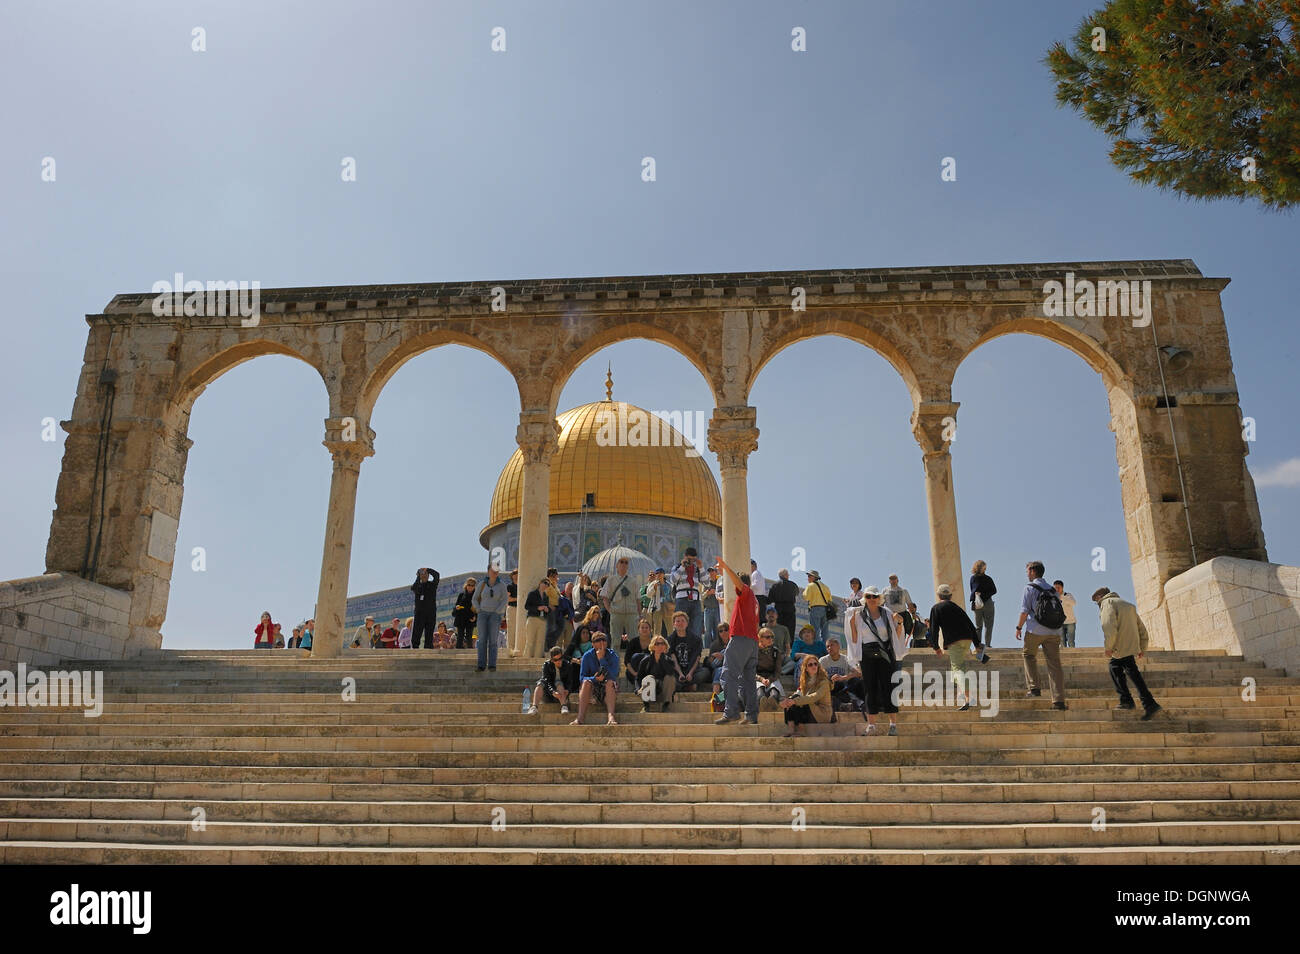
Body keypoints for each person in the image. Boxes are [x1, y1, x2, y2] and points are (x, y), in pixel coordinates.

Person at [1093, 587, 1162, 720]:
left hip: (1119, 647)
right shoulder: (1128, 604)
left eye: (1096, 599)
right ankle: (1148, 703)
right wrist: (1142, 647)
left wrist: (1109, 647)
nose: (1097, 603)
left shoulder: (1108, 603)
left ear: (1101, 596)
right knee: (1128, 671)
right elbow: (1141, 628)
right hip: (1130, 646)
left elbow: (1109, 626)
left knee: (1115, 668)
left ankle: (1129, 701)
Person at [852, 586, 905, 735]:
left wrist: (899, 623)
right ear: (865, 599)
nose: (871, 599)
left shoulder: (886, 613)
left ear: (879, 598)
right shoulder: (859, 615)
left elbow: (896, 634)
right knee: (869, 688)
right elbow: (855, 639)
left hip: (885, 654)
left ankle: (893, 724)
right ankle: (872, 725)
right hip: (867, 654)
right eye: (868, 596)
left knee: (889, 687)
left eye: (874, 596)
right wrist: (851, 622)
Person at [713, 556, 760, 726]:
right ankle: (751, 715)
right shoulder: (754, 600)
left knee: (727, 676)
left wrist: (725, 567)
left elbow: (739, 584)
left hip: (741, 639)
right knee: (748, 681)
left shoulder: (746, 592)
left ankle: (731, 711)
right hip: (752, 643)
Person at [1016, 561, 1068, 710]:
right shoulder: (1053, 590)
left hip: (1035, 630)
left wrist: (1018, 627)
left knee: (1028, 655)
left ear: (1032, 571)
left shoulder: (1029, 588)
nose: (1026, 573)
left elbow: (1025, 611)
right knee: (1054, 665)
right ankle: (1058, 701)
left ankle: (1034, 688)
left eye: (1027, 571)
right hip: (1054, 631)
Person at [928, 584, 983, 711]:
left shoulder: (936, 608)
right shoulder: (957, 607)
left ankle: (969, 697)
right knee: (959, 667)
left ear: (938, 595)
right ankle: (961, 694)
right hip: (967, 639)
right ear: (950, 596)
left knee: (957, 669)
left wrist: (936, 647)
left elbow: (933, 630)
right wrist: (977, 643)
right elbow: (970, 624)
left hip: (954, 642)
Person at [571, 632, 619, 726]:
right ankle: (580, 717)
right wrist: (595, 678)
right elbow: (582, 677)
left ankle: (611, 716)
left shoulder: (613, 655)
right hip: (592, 689)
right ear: (592, 644)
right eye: (598, 640)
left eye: (604, 640)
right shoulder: (587, 656)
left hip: (608, 688)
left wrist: (601, 659)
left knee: (610, 682)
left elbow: (613, 675)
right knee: (586, 682)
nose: (601, 642)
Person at [780, 656, 832, 737]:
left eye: (815, 664)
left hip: (822, 713)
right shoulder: (805, 680)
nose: (814, 666)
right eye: (810, 665)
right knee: (794, 698)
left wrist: (794, 701)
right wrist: (788, 700)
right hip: (811, 710)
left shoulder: (824, 681)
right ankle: (791, 728)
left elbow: (815, 697)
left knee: (800, 701)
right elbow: (798, 692)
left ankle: (801, 730)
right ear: (806, 668)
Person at [473, 564, 509, 672]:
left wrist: (498, 611)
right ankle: (481, 665)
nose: (495, 572)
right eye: (492, 570)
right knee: (482, 640)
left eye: (497, 570)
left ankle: (492, 664)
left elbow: (504, 599)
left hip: (495, 615)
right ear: (488, 571)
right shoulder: (482, 584)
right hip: (483, 614)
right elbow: (474, 599)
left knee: (493, 641)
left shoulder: (502, 585)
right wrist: (478, 609)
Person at [601, 556, 642, 650]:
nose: (623, 564)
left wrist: (640, 615)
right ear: (617, 565)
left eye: (626, 563)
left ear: (628, 566)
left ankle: (633, 662)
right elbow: (604, 597)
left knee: (634, 640)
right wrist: (611, 611)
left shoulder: (633, 581)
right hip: (617, 613)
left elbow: (638, 600)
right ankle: (615, 663)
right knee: (615, 641)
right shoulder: (611, 580)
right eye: (621, 562)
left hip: (631, 614)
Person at [529, 645, 579, 715]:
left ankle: (564, 706)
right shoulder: (547, 665)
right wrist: (553, 692)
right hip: (549, 694)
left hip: (562, 694)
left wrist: (568, 690)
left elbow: (570, 681)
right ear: (552, 659)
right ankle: (534, 707)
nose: (558, 661)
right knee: (541, 682)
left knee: (559, 683)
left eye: (560, 658)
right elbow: (546, 680)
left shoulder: (567, 665)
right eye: (555, 660)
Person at [820, 638, 864, 713]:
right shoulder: (823, 660)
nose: (829, 648)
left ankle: (861, 703)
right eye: (827, 646)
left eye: (832, 645)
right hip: (829, 687)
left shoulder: (846, 659)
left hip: (844, 687)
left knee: (855, 681)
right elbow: (816, 676)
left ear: (838, 646)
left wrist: (843, 677)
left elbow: (859, 673)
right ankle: (855, 703)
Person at [636, 635, 678, 712]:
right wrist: (638, 689)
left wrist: (662, 658)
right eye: (657, 644)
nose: (660, 646)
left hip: (663, 693)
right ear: (653, 646)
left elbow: (670, 673)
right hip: (649, 692)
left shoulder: (670, 661)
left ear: (665, 647)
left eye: (662, 644)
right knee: (649, 677)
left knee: (670, 677)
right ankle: (646, 706)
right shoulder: (645, 661)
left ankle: (666, 705)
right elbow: (638, 677)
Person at [670, 547, 705, 638]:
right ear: (685, 557)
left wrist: (701, 567)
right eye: (689, 559)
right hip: (682, 599)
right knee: (680, 625)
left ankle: (695, 649)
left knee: (696, 626)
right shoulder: (677, 567)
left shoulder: (697, 569)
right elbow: (673, 580)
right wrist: (682, 566)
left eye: (693, 560)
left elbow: (707, 583)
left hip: (696, 599)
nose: (691, 562)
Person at [667, 611, 707, 690]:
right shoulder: (669, 640)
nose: (680, 623)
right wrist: (680, 674)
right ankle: (689, 686)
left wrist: (690, 673)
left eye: (683, 621)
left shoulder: (696, 640)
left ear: (687, 623)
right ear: (674, 624)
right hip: (677, 671)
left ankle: (683, 685)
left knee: (705, 672)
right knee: (668, 676)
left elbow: (697, 658)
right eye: (678, 621)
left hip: (692, 670)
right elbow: (672, 658)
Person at [969, 559, 997, 648]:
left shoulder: (988, 578)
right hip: (978, 602)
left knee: (988, 625)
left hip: (987, 602)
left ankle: (987, 645)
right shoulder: (973, 578)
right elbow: (973, 590)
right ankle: (978, 645)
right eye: (983, 567)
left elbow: (994, 590)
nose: (985, 569)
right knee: (978, 626)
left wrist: (983, 596)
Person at [767, 569, 800, 643]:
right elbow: (796, 594)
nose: (788, 576)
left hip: (779, 610)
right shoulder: (793, 585)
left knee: (778, 630)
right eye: (788, 574)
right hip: (790, 610)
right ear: (785, 575)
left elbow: (769, 599)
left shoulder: (775, 585)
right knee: (790, 631)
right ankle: (789, 648)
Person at [410, 567, 440, 649]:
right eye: (422, 574)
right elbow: (414, 586)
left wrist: (428, 569)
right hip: (419, 613)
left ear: (428, 575)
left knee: (429, 631)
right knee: (417, 631)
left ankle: (428, 647)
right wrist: (418, 575)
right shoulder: (417, 586)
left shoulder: (432, 585)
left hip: (431, 612)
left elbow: (437, 575)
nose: (424, 575)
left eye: (425, 574)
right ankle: (415, 647)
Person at [803, 570, 834, 645]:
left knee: (815, 630)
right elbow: (830, 600)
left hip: (815, 609)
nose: (808, 578)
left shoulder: (810, 585)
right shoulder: (826, 587)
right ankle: (825, 648)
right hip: (826, 610)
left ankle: (816, 647)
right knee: (825, 632)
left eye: (809, 576)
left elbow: (806, 597)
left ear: (814, 577)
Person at [755, 627, 785, 705]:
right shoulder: (754, 651)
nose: (771, 639)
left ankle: (771, 708)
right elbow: (750, 670)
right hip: (757, 678)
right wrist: (761, 679)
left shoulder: (776, 652)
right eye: (768, 637)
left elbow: (778, 671)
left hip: (772, 677)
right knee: (760, 694)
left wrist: (770, 680)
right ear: (760, 638)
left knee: (774, 694)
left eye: (772, 637)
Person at [522, 579, 551, 658]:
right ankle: (526, 658)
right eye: (545, 583)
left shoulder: (546, 596)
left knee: (540, 642)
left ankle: (537, 658)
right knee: (530, 641)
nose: (546, 585)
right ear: (540, 583)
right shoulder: (532, 594)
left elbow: (548, 609)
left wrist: (547, 609)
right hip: (532, 618)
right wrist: (537, 608)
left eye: (548, 584)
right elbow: (526, 606)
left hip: (543, 620)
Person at [641, 569, 673, 639]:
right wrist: (654, 588)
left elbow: (672, 596)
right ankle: (656, 645)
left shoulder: (669, 585)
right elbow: (648, 595)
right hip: (657, 607)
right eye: (657, 573)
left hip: (667, 607)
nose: (658, 574)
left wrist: (672, 605)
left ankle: (671, 644)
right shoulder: (653, 584)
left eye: (660, 573)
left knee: (670, 627)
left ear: (663, 574)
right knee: (657, 628)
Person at [623, 618, 653, 688]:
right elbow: (627, 660)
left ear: (650, 630)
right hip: (634, 672)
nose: (644, 629)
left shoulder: (654, 642)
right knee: (636, 656)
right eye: (642, 627)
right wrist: (635, 673)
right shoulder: (633, 642)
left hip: (649, 672)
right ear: (638, 630)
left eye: (646, 627)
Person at [882, 574, 913, 639]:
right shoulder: (885, 591)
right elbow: (881, 603)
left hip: (902, 615)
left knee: (901, 634)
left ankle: (901, 648)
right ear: (889, 581)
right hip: (890, 615)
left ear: (897, 580)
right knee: (889, 633)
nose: (893, 580)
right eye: (891, 579)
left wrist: (913, 614)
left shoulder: (904, 591)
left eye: (894, 578)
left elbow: (909, 603)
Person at [706, 622, 731, 695]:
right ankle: (716, 696)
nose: (724, 632)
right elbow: (710, 664)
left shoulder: (734, 643)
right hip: (718, 669)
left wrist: (724, 657)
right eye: (721, 631)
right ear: (718, 633)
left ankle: (717, 696)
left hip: (731, 668)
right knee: (720, 670)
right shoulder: (715, 645)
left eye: (726, 630)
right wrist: (713, 656)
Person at [452, 579, 477, 650]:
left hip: (470, 618)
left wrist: (475, 617)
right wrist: (457, 607)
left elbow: (478, 608)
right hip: (461, 617)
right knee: (460, 635)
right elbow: (456, 605)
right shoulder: (461, 595)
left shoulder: (476, 596)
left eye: (472, 585)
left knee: (469, 636)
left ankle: (470, 650)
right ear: (466, 585)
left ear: (474, 586)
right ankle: (459, 649)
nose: (470, 587)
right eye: (469, 585)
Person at [1054, 580, 1078, 648]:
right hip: (1059, 622)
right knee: (1062, 642)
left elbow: (1074, 603)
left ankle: (1073, 657)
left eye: (1058, 587)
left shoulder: (1068, 595)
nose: (1057, 589)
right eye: (1055, 588)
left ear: (1062, 587)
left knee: (1071, 641)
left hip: (1070, 622)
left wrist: (1062, 598)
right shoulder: (1053, 598)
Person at [701, 567, 721, 647]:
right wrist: (707, 593)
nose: (711, 573)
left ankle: (717, 647)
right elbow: (701, 597)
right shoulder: (706, 583)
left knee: (717, 630)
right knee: (707, 631)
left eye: (712, 571)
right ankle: (707, 648)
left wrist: (715, 592)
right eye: (709, 571)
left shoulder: (720, 582)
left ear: (716, 572)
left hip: (717, 609)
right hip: (708, 610)